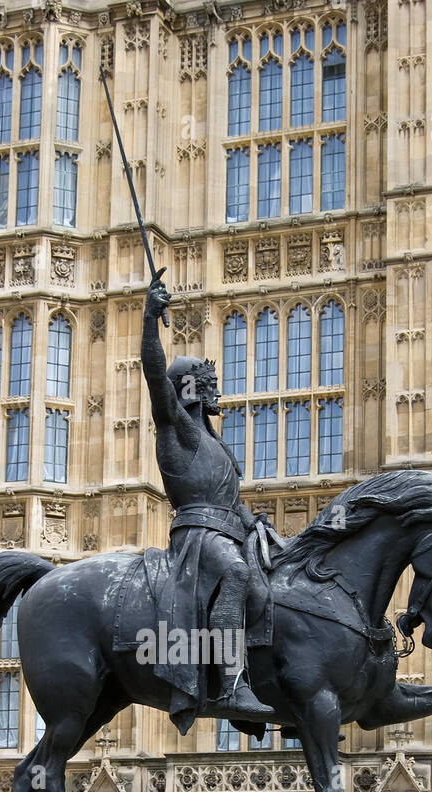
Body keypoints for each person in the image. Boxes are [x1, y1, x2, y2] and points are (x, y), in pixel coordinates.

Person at [141, 268, 275, 734]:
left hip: (229, 529)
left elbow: (230, 501)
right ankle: (232, 685)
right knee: (236, 573)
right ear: (192, 388)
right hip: (198, 537)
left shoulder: (215, 445)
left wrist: (259, 526)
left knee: (274, 582)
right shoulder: (176, 428)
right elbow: (155, 375)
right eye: (207, 381)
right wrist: (149, 318)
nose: (216, 390)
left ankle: (277, 692)